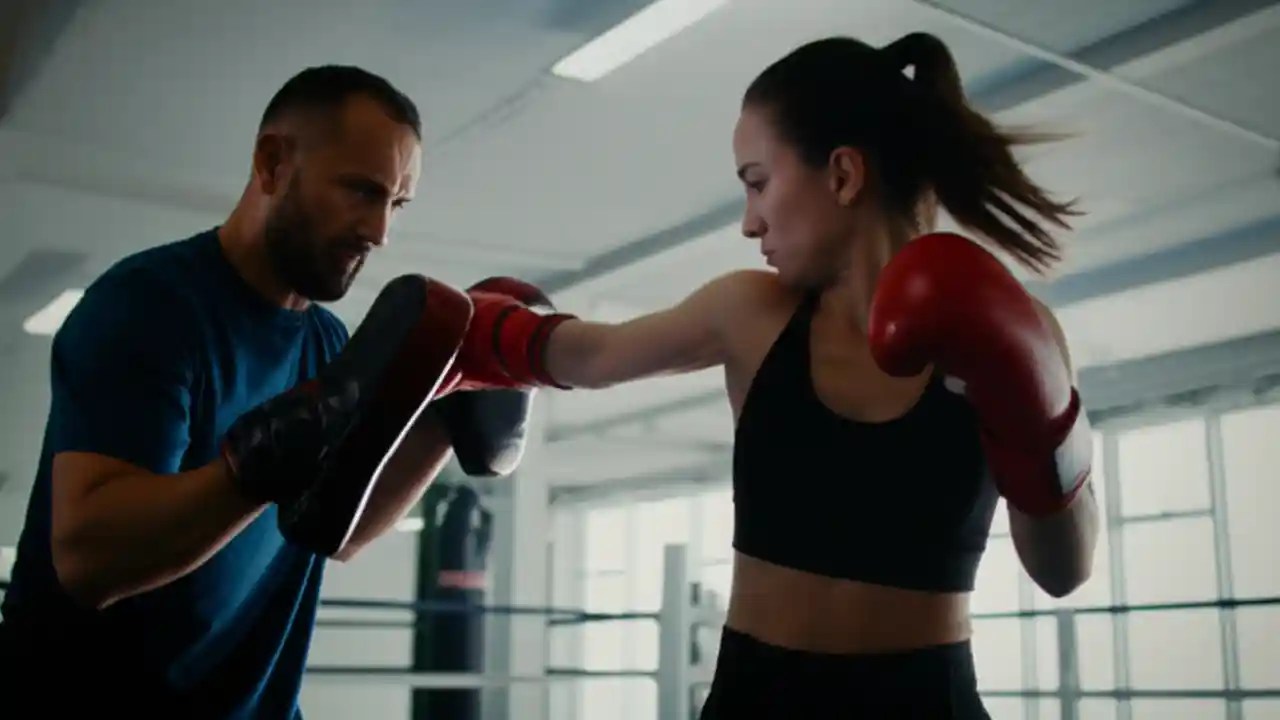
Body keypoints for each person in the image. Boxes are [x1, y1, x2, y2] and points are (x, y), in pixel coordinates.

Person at [454, 33, 1101, 717]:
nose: (747, 221)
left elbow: (1064, 571)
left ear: (843, 175)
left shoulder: (1010, 328)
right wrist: (476, 329)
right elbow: (595, 356)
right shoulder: (751, 313)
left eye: (758, 183)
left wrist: (1033, 403)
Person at [0, 65, 516, 718]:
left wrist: (445, 423)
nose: (380, 230)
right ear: (273, 163)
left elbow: (338, 528)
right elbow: (87, 558)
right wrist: (253, 470)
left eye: (396, 203)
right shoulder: (149, 306)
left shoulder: (329, 344)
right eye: (360, 190)